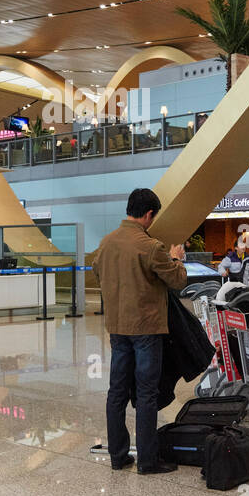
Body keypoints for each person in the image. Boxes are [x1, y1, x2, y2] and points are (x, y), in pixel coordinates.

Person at [92, 188, 187, 474]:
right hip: (146, 330)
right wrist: (176, 258)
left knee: (117, 392)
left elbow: (98, 272)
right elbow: (177, 280)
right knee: (146, 394)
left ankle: (118, 456)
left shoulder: (105, 244)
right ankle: (147, 460)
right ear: (148, 214)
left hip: (118, 329)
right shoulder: (151, 247)